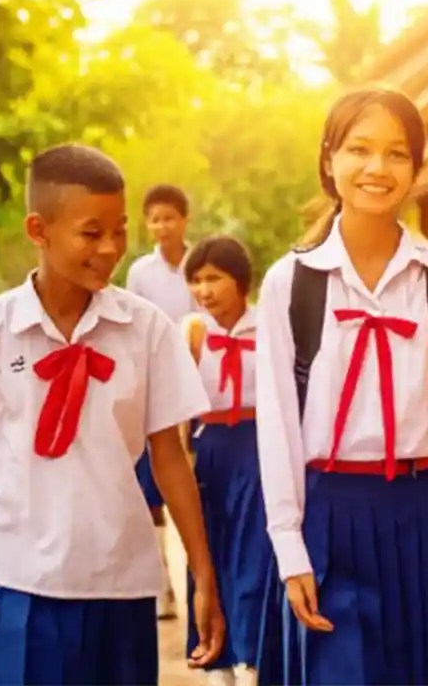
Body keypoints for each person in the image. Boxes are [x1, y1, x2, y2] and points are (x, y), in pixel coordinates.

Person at [0, 144, 225, 685]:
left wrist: (203, 575)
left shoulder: (146, 331)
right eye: (91, 232)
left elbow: (168, 454)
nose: (110, 248)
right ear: (40, 229)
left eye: (120, 230)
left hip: (118, 588)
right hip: (18, 586)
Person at [254, 85, 428, 684]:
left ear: (416, 167)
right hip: (328, 512)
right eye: (359, 149)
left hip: (419, 513)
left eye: (397, 153)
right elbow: (276, 425)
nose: (377, 168)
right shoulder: (292, 283)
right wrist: (289, 548)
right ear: (329, 160)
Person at [179, 235, 281, 686]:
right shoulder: (192, 333)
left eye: (214, 278)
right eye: (196, 281)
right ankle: (215, 663)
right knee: (210, 555)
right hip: (212, 452)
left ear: (240, 282)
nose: (204, 290)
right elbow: (179, 413)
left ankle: (253, 661)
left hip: (261, 450)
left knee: (257, 557)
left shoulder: (272, 328)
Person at [126, 183, 198, 619]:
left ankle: (206, 580)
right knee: (150, 487)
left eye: (169, 217)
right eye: (154, 218)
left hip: (201, 380)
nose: (162, 226)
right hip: (153, 381)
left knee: (196, 480)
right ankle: (162, 586)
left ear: (184, 220)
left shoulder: (202, 264)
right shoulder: (140, 273)